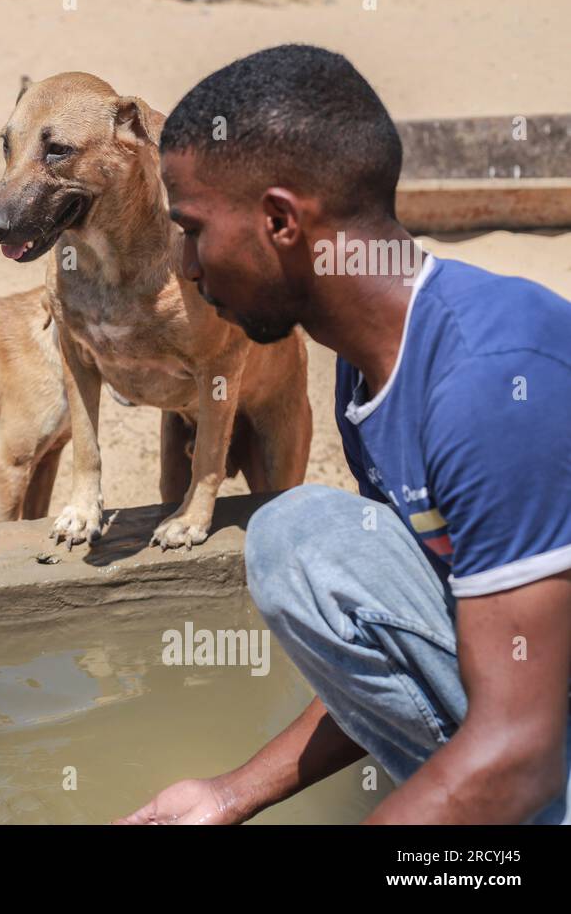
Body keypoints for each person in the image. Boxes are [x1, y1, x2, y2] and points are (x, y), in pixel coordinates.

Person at [121, 44, 571, 824]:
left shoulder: (493, 383)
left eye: (191, 230)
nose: (186, 266)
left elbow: (523, 751)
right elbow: (412, 643)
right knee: (302, 536)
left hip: (535, 749)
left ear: (279, 222)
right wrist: (230, 796)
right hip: (532, 720)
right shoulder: (370, 372)